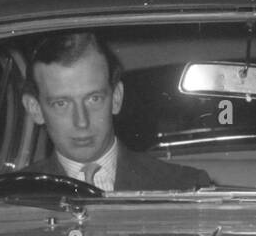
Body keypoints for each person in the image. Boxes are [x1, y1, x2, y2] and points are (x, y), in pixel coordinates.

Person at [19, 30, 210, 191]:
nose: (81, 122)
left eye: (94, 99)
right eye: (61, 103)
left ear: (116, 98)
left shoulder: (185, 187)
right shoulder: (11, 199)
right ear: (35, 110)